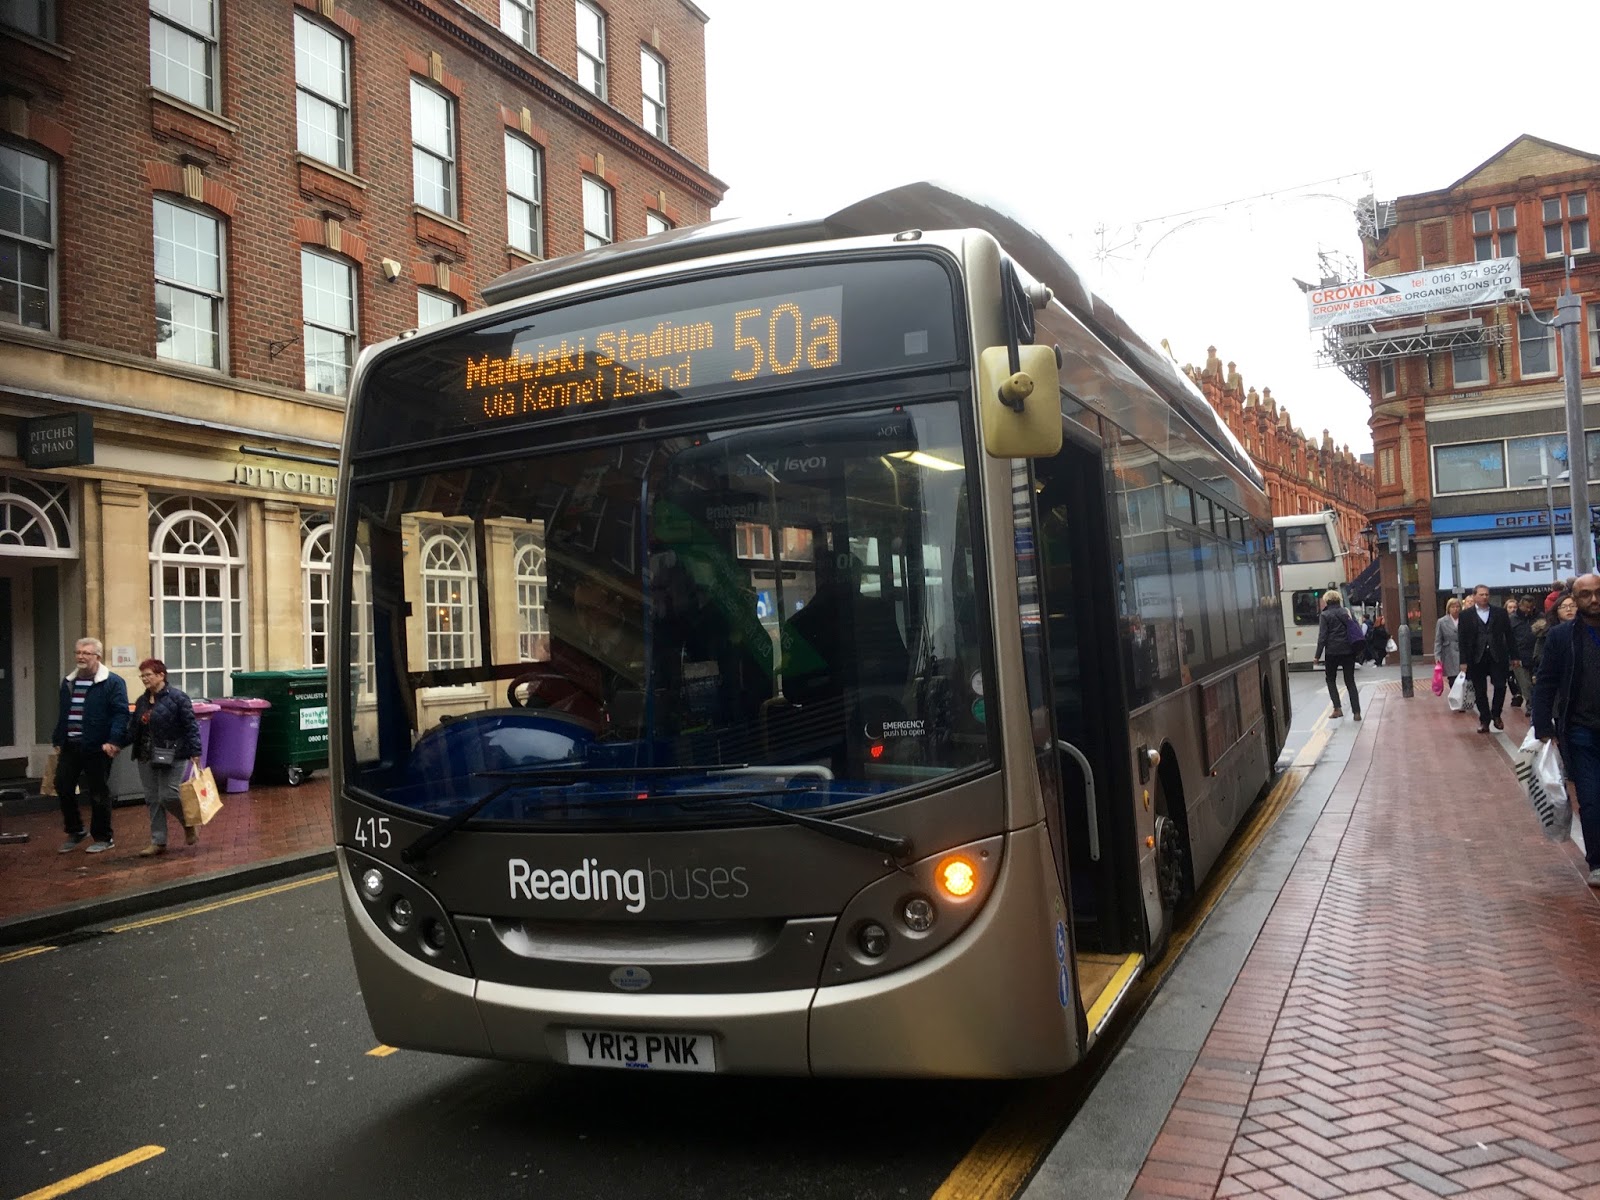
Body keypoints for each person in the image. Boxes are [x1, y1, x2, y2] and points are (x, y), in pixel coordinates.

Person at [1529, 572, 1600, 888]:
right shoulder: (1561, 638)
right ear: (1574, 597)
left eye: (1598, 593)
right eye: (1586, 595)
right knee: (1591, 797)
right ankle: (1597, 861)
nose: (1594, 600)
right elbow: (1546, 683)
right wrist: (1543, 726)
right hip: (1581, 730)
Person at [783, 554, 909, 705]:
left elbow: (792, 691)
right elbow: (902, 668)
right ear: (856, 578)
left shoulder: (797, 625)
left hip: (820, 722)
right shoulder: (877, 612)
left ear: (821, 578)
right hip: (876, 715)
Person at [50, 637, 130, 853]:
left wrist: (114, 740)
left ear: (98, 657)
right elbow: (64, 713)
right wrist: (58, 738)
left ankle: (104, 837)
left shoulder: (112, 682)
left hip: (98, 746)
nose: (81, 657)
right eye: (78, 653)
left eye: (86, 653)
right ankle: (75, 830)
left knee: (98, 791)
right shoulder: (69, 682)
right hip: (71, 744)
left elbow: (120, 714)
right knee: (62, 785)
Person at [121, 659, 203, 856]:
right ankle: (158, 841)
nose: (145, 679)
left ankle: (189, 823)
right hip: (145, 754)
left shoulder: (178, 698)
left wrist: (196, 752)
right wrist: (116, 744)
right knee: (152, 798)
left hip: (173, 754)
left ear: (161, 675)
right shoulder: (141, 701)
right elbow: (133, 729)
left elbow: (190, 726)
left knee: (168, 795)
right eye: (142, 675)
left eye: (148, 675)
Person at [1458, 583, 1518, 733]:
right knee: (1480, 690)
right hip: (1476, 657)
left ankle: (1496, 714)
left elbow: (1509, 635)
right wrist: (1463, 661)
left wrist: (1514, 656)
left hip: (1497, 655)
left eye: (1486, 594)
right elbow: (1462, 639)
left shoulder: (1500, 613)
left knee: (1500, 685)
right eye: (1481, 594)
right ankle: (1484, 720)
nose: (1484, 597)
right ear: (1474, 596)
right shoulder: (1465, 615)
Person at [1312, 589, 1361, 720]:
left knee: (1330, 680)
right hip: (1348, 651)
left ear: (1327, 601)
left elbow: (1322, 637)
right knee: (1350, 681)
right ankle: (1356, 712)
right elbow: (1355, 627)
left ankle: (1337, 708)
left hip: (1332, 652)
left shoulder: (1325, 615)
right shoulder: (1346, 612)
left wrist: (1317, 656)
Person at [1507, 597, 1536, 710]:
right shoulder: (1512, 620)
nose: (1528, 610)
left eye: (1531, 607)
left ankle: (1534, 703)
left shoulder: (1539, 617)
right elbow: (1508, 638)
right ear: (1520, 606)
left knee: (1536, 682)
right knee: (1525, 684)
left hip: (1535, 655)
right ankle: (1530, 704)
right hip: (1518, 656)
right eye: (1526, 607)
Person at [1435, 597, 1462, 693]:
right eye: (1453, 607)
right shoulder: (1442, 622)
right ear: (1448, 608)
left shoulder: (1464, 619)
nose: (1456, 609)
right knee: (1453, 677)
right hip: (1448, 652)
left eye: (1458, 606)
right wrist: (1437, 656)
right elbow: (1438, 640)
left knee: (1464, 676)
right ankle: (1455, 696)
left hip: (1462, 651)